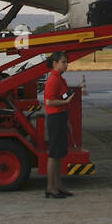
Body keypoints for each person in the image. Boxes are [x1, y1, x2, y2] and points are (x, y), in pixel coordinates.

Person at [42, 52, 82, 199]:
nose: (66, 64)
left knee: (59, 154)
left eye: (66, 62)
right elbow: (49, 102)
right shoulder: (53, 80)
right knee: (53, 154)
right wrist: (65, 102)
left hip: (60, 117)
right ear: (55, 63)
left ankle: (57, 185)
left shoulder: (59, 79)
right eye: (63, 62)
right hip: (55, 117)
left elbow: (61, 96)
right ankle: (51, 187)